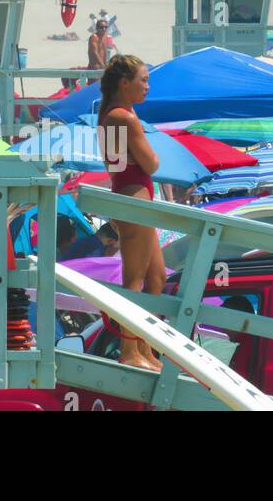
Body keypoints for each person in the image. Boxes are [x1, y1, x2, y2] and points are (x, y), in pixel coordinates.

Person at [97, 55, 166, 371]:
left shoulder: (110, 114)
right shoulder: (125, 118)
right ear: (124, 83)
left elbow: (114, 164)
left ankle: (146, 348)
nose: (148, 86)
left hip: (125, 193)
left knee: (156, 278)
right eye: (143, 80)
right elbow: (151, 164)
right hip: (135, 196)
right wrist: (151, 154)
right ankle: (129, 350)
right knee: (135, 279)